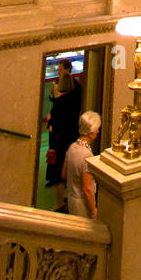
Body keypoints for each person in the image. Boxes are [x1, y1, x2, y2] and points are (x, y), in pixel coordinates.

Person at [49, 72, 81, 212]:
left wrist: (52, 146)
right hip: (73, 136)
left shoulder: (58, 104)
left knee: (59, 171)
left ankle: (59, 201)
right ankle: (71, 196)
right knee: (71, 168)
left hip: (60, 139)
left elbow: (53, 125)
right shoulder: (75, 100)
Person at [64, 112, 101, 219]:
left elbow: (64, 175)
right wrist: (94, 210)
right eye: (96, 130)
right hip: (82, 203)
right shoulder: (87, 155)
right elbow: (87, 189)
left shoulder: (72, 147)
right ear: (90, 133)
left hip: (71, 198)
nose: (98, 132)